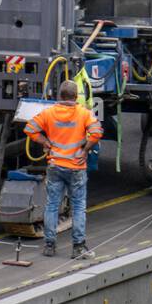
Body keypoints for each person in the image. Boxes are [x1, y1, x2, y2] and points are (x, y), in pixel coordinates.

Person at [24, 79, 104, 259]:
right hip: (76, 166)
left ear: (60, 95)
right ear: (76, 97)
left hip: (55, 165)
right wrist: (85, 150)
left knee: (52, 205)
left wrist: (45, 142)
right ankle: (78, 246)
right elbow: (97, 132)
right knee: (78, 206)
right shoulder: (83, 113)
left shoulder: (49, 113)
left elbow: (30, 128)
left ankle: (49, 245)